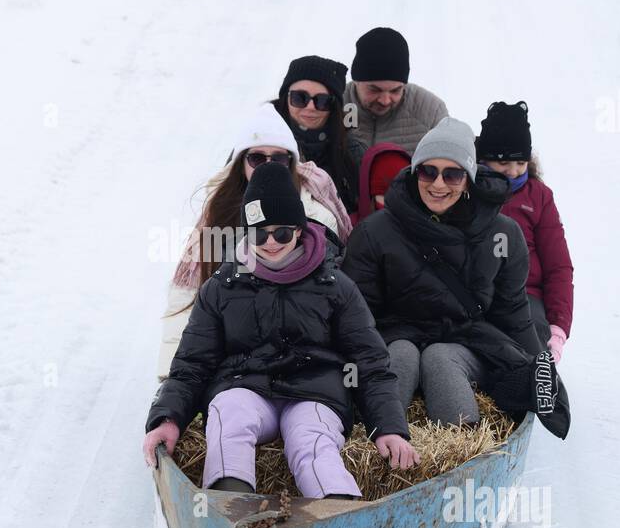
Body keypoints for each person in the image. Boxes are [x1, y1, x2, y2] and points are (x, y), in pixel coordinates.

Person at [144, 163, 417, 497]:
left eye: (282, 233)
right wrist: (167, 418)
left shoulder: (334, 285)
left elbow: (370, 361)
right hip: (245, 388)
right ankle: (230, 508)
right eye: (260, 233)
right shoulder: (222, 287)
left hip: (316, 392)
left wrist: (387, 427)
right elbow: (192, 363)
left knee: (311, 438)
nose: (271, 242)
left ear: (299, 230)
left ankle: (337, 514)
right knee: (227, 415)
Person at [341, 118, 542, 426]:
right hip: (395, 338)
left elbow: (512, 312)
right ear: (414, 172)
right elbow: (358, 316)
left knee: (439, 358)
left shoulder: (502, 234)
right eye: (428, 171)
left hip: (467, 343)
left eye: (452, 174)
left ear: (469, 179)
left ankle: (465, 463)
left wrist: (539, 371)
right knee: (404, 355)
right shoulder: (374, 233)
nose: (437, 184)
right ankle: (373, 444)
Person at [157, 105, 353, 379]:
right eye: (257, 158)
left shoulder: (315, 213)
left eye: (279, 158)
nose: (269, 165)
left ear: (292, 162)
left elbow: (336, 293)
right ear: (242, 162)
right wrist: (172, 375)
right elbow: (189, 295)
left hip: (304, 349)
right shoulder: (220, 212)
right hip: (232, 347)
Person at [476, 101, 574, 363]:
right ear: (482, 159)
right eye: (503, 163)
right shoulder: (467, 190)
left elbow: (558, 266)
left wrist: (558, 327)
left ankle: (539, 388)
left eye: (520, 162)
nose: (513, 172)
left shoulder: (538, 197)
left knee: (532, 333)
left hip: (525, 294)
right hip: (476, 290)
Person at [270, 55, 364, 212]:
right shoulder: (260, 144)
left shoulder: (352, 151)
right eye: (299, 98)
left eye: (322, 101)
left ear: (334, 106)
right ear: (285, 98)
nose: (310, 107)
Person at [343, 27, 449, 153]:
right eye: (374, 90)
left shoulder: (431, 111)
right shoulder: (333, 103)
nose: (385, 101)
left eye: (395, 91)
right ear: (356, 81)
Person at [354, 142, 411, 225]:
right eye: (385, 195)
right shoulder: (351, 230)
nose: (395, 203)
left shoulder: (424, 225)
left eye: (404, 195)